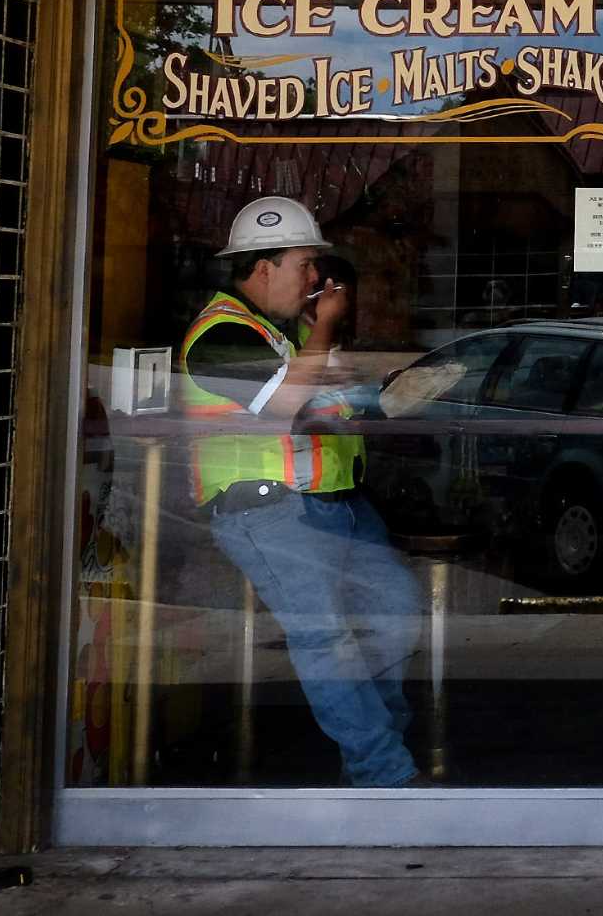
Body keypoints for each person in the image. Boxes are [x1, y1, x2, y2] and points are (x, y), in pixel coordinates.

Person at [178, 196, 426, 788]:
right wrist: (329, 328)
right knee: (327, 641)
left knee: (396, 611)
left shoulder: (278, 335)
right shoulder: (221, 336)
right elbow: (286, 404)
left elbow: (323, 404)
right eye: (305, 264)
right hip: (268, 511)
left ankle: (380, 746)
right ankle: (384, 774)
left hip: (332, 504)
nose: (317, 278)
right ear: (264, 267)